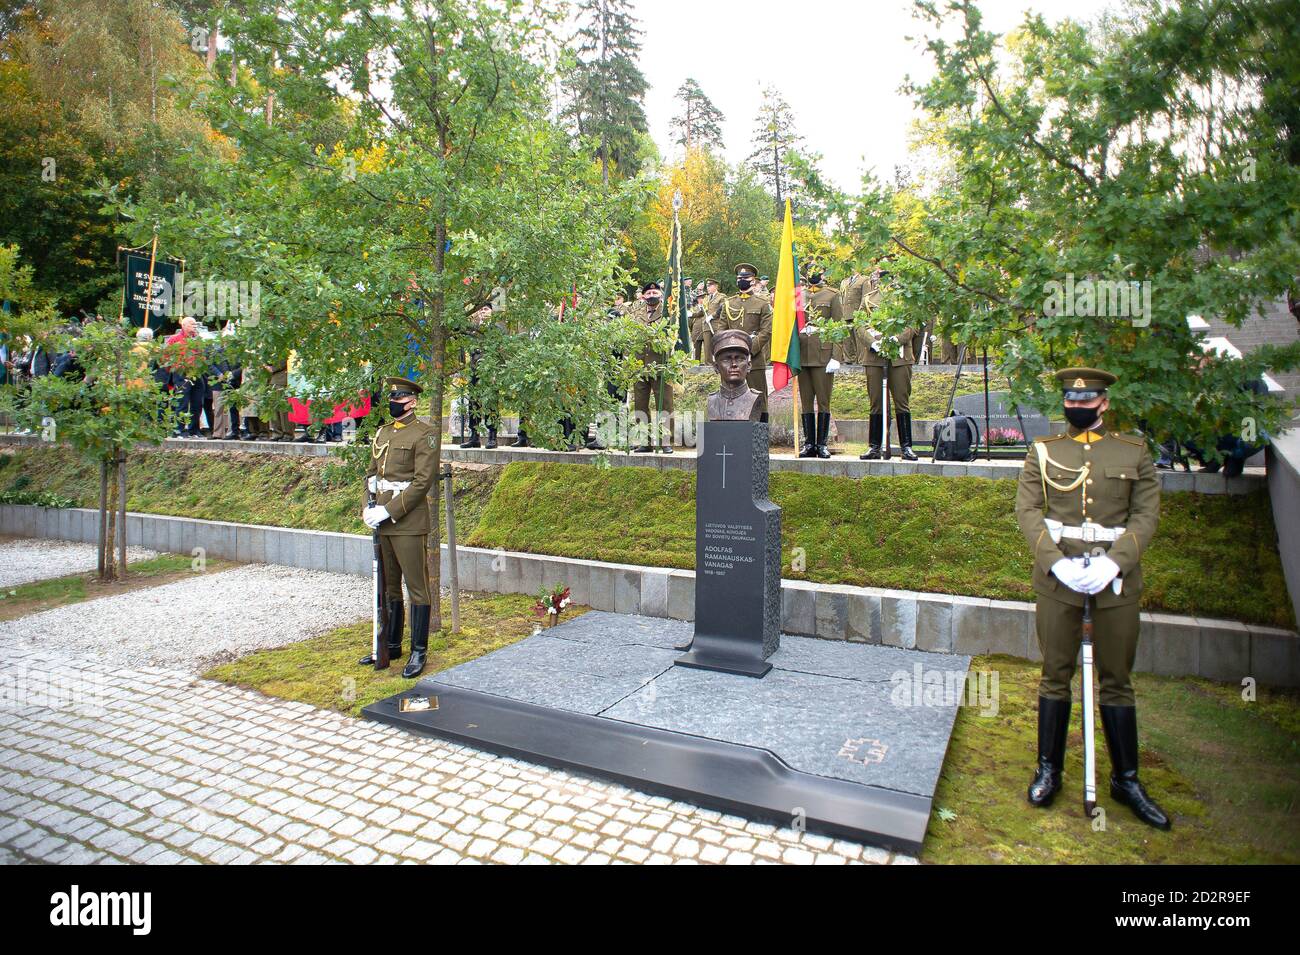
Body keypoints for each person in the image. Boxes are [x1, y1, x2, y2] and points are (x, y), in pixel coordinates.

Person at [1015, 367, 1169, 830]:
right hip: (1059, 578)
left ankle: (1126, 779)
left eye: (1086, 402)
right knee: (1054, 674)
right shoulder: (1043, 452)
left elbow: (1145, 515)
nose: (1076, 408)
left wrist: (1114, 563)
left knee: (1117, 677)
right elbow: (1028, 510)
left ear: (1103, 403)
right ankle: (1049, 769)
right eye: (1070, 401)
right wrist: (1055, 561)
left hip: (1114, 580)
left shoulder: (1133, 452)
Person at [360, 376, 438, 679]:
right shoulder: (382, 433)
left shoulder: (425, 434)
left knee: (416, 588)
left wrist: (388, 511)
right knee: (389, 587)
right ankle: (391, 645)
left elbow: (422, 483)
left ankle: (419, 651)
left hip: (408, 522)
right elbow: (371, 476)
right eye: (392, 399)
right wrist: (369, 507)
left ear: (413, 402)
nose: (394, 403)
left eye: (400, 400)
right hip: (382, 522)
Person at [850, 269, 921, 461]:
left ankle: (906, 447)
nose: (883, 282)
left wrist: (896, 339)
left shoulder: (905, 298)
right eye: (880, 278)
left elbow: (913, 324)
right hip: (874, 355)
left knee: (901, 401)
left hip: (899, 356)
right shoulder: (868, 298)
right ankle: (874, 446)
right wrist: (872, 342)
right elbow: (859, 324)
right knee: (876, 402)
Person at [796, 263, 845, 458]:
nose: (813, 274)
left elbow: (838, 326)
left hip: (823, 356)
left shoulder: (832, 295)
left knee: (823, 402)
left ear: (823, 273)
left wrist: (836, 356)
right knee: (806, 402)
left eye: (817, 270)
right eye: (809, 270)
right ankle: (809, 444)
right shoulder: (799, 296)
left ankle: (822, 444)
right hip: (802, 355)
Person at [708, 264, 773, 408]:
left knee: (759, 401)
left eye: (746, 277)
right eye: (739, 278)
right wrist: (719, 353)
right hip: (731, 361)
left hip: (753, 360)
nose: (742, 280)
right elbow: (720, 331)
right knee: (731, 400)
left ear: (753, 280)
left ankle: (760, 431)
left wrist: (749, 351)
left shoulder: (762, 304)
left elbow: (766, 331)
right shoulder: (729, 303)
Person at [629, 281, 675, 453]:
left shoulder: (668, 313)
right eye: (648, 294)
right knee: (640, 405)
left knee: (665, 404)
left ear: (661, 295)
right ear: (643, 296)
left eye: (655, 293)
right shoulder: (636, 313)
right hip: (640, 365)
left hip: (661, 366)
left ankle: (666, 442)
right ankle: (645, 441)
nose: (652, 296)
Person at [706, 329, 766, 421]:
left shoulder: (755, 399)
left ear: (749, 365)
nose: (734, 364)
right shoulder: (712, 401)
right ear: (716, 367)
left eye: (739, 359)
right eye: (726, 359)